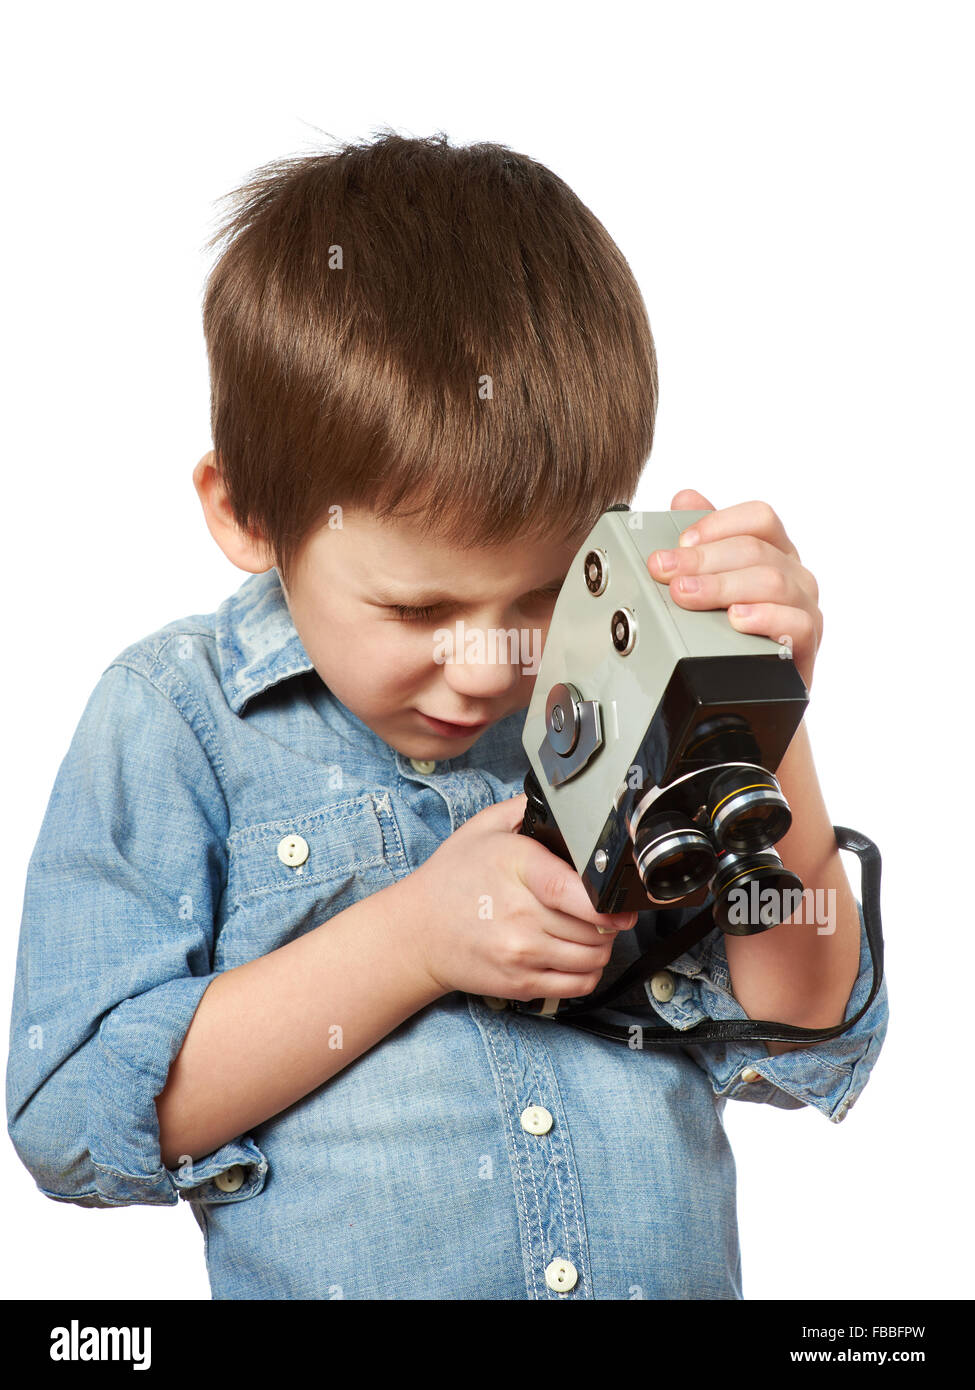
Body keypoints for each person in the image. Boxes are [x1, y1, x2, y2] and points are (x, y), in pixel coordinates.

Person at [5, 132, 888, 1300]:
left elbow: (806, 1016)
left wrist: (754, 716)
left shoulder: (627, 692)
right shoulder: (179, 718)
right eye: (418, 607)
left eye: (543, 590)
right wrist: (412, 941)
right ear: (246, 513)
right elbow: (70, 1112)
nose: (486, 664)